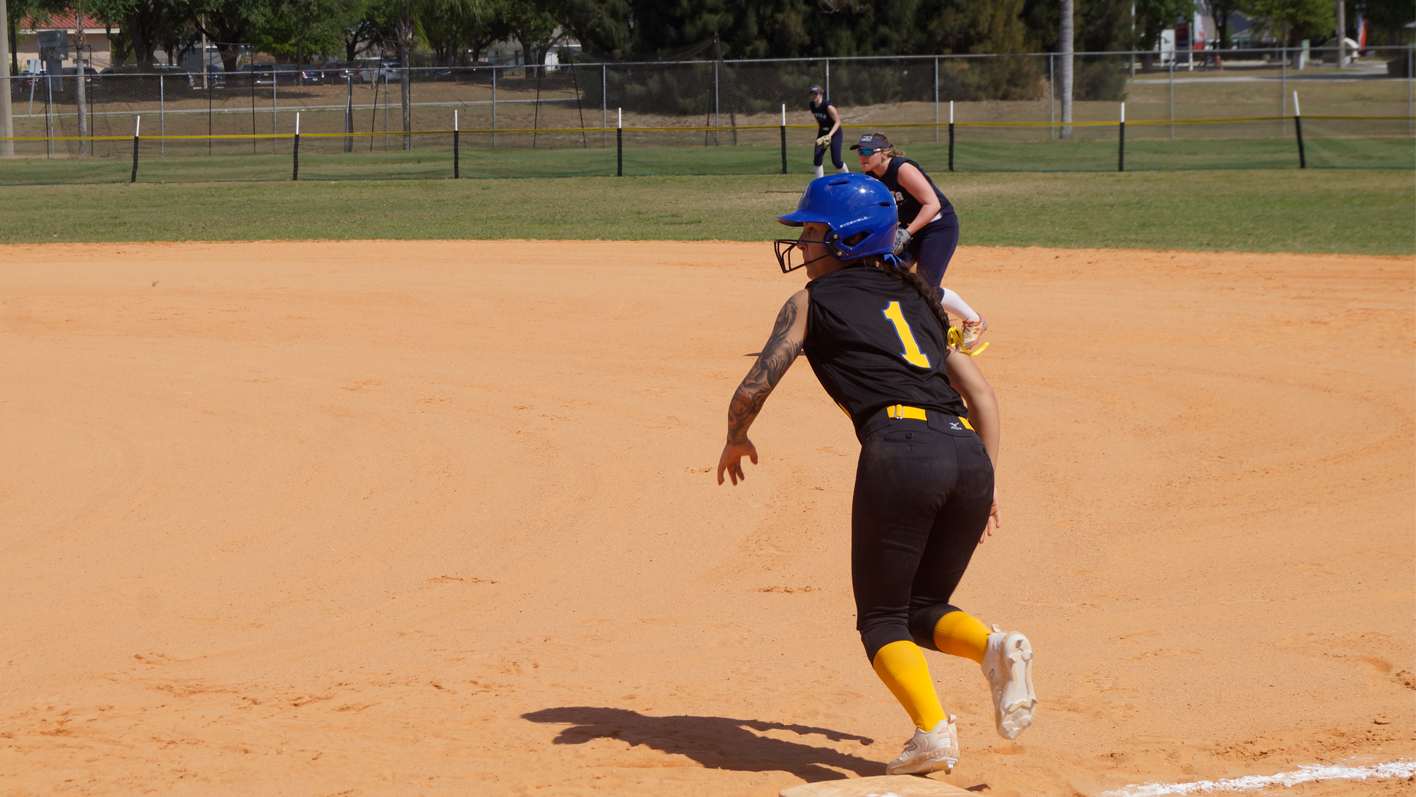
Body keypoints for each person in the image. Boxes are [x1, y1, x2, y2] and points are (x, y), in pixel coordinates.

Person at [716, 173, 1037, 776]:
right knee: (922, 607)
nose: (802, 242)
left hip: (899, 450)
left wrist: (737, 437)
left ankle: (933, 732)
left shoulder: (812, 301)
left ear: (845, 240)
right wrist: (988, 481)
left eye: (812, 231)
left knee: (882, 619)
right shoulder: (919, 296)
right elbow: (982, 396)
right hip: (966, 452)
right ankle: (994, 646)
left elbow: (753, 386)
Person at [851, 132, 987, 353]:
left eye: (868, 151)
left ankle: (973, 320)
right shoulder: (873, 179)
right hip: (909, 228)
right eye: (859, 151)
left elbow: (932, 204)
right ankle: (908, 328)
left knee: (927, 286)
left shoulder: (901, 169)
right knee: (890, 275)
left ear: (884, 153)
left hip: (938, 226)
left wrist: (906, 233)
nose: (862, 156)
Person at [808, 85, 848, 179]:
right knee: (817, 159)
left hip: (835, 132)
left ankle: (848, 177)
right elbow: (818, 119)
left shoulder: (828, 106)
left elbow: (838, 122)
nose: (814, 96)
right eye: (812, 94)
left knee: (836, 161)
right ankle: (820, 183)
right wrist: (821, 133)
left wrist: (829, 135)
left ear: (821, 95)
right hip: (823, 132)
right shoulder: (812, 105)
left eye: (816, 93)